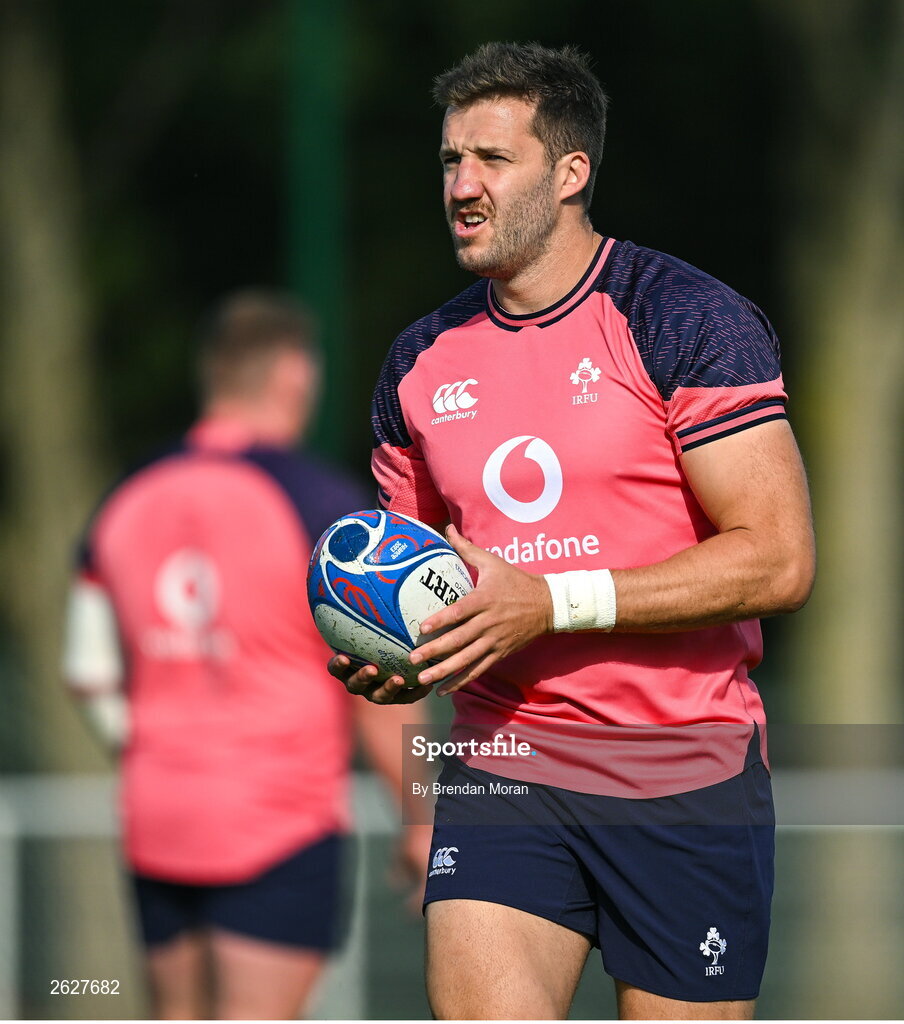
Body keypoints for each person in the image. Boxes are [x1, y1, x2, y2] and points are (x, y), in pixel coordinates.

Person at [331, 42, 815, 1021]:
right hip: (504, 763)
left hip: (682, 772)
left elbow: (777, 555)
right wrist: (388, 655)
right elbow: (404, 577)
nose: (460, 186)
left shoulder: (682, 319)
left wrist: (549, 600)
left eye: (491, 160)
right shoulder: (419, 362)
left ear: (568, 173)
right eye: (448, 160)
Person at [62, 291, 430, 1020]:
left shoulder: (124, 497)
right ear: (295, 374)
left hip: (158, 818)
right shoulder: (321, 507)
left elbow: (87, 672)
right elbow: (379, 678)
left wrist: (159, 750)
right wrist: (419, 818)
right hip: (277, 825)